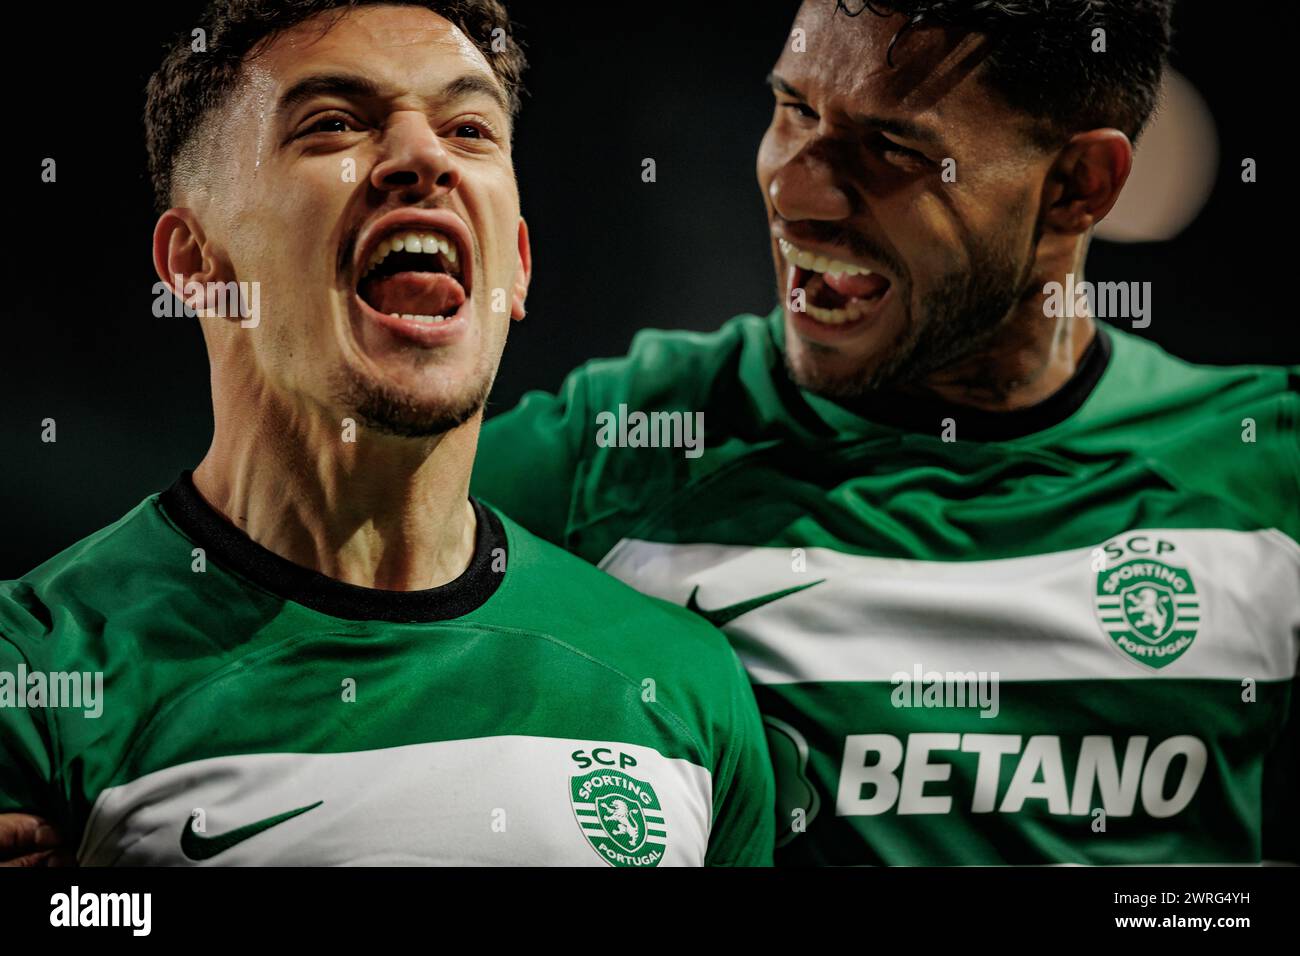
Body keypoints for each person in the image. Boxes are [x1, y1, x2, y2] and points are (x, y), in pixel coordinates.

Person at [472, 0, 1300, 864]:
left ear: (1077, 185)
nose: (794, 191)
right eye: (794, 109)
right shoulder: (623, 442)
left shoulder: (1267, 466)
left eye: (894, 148)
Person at [0, 0, 773, 867]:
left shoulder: (680, 681)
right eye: (333, 124)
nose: (423, 159)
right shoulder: (31, 668)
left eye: (470, 128)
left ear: (516, 264)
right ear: (197, 265)